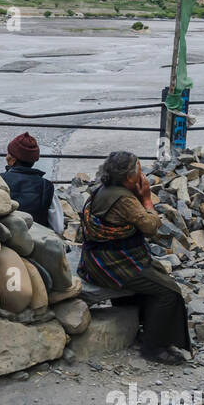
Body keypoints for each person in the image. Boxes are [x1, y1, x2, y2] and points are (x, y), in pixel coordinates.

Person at [79, 150, 190, 363]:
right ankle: (153, 348)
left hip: (96, 257)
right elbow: (150, 227)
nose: (143, 174)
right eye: (139, 170)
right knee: (169, 291)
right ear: (130, 178)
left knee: (156, 278)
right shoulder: (124, 200)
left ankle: (143, 328)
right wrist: (147, 200)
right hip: (112, 263)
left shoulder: (104, 189)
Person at [3, 132, 64, 233]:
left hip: (6, 240)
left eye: (8, 153)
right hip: (37, 242)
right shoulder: (46, 186)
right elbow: (58, 227)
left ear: (12, 159)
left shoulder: (0, 180)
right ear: (34, 159)